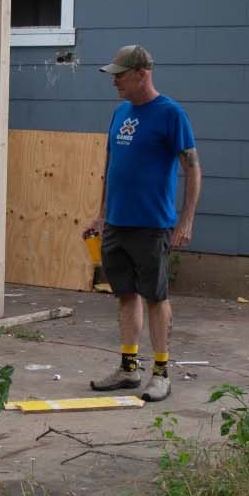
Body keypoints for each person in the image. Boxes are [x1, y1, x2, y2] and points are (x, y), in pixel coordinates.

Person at [85, 45, 201, 403]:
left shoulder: (170, 114)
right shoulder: (120, 112)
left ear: (141, 73)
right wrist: (102, 213)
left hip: (152, 225)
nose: (114, 81)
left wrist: (186, 219)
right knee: (125, 295)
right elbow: (112, 167)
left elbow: (192, 168)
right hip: (117, 223)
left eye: (120, 74)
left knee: (155, 297)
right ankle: (128, 368)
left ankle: (161, 373)